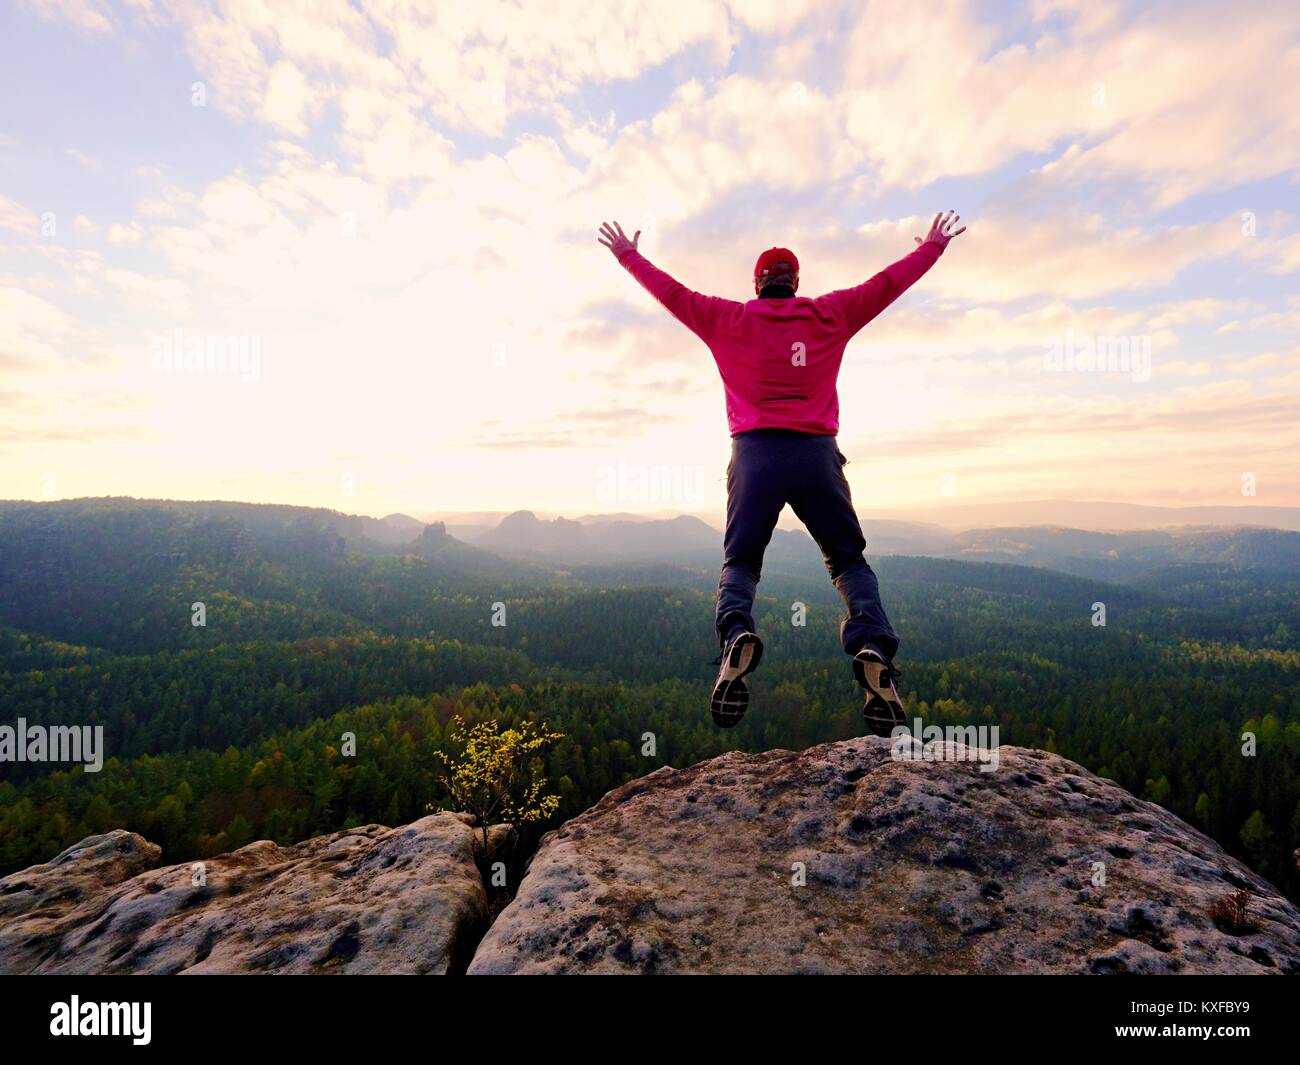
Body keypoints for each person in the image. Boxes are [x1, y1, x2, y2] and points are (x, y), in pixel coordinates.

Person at [597, 212, 966, 735]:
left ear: (756, 284)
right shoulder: (829, 314)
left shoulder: (727, 319)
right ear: (795, 283)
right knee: (847, 560)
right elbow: (886, 285)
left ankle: (735, 638)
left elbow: (672, 293)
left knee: (741, 561)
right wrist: (932, 247)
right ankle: (871, 647)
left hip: (754, 458)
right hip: (817, 456)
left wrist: (627, 255)